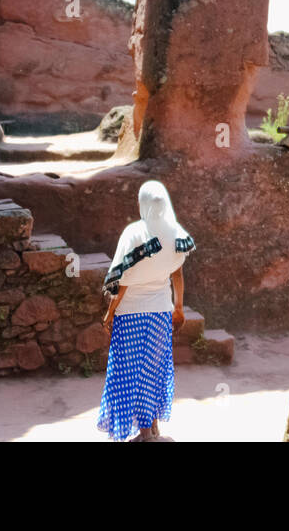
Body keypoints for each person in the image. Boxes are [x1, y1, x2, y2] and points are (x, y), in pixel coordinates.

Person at [96, 180, 194, 442]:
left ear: (143, 204)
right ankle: (152, 427)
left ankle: (145, 435)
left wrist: (109, 312)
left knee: (130, 373)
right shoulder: (175, 232)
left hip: (130, 315)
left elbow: (123, 281)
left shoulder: (134, 233)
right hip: (160, 313)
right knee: (154, 368)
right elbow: (178, 275)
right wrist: (179, 307)